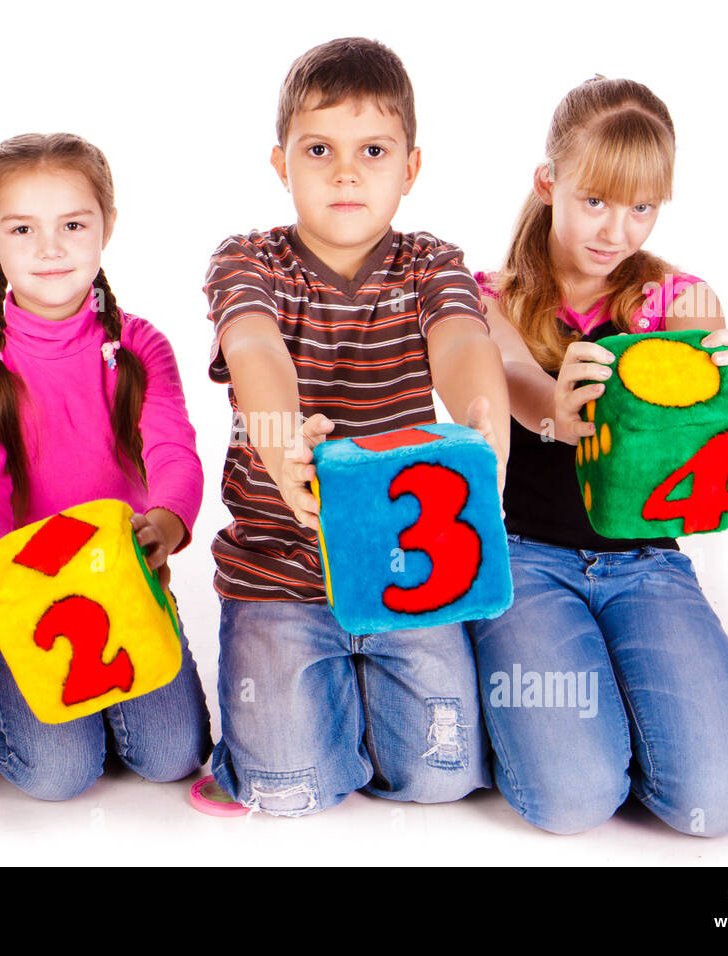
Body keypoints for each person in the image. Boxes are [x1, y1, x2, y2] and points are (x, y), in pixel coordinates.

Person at [201, 37, 509, 815]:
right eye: (319, 150)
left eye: (372, 150)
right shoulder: (249, 260)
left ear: (410, 168)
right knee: (285, 790)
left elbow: (465, 342)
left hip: (405, 573)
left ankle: (360, 698)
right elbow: (252, 346)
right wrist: (283, 444)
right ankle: (293, 720)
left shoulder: (431, 261)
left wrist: (486, 422)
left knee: (441, 781)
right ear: (282, 165)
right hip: (281, 575)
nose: (346, 172)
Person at [468, 76, 728, 836]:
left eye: (642, 207)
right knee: (571, 801)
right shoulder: (486, 297)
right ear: (548, 184)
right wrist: (557, 415)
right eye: (596, 200)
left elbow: (707, 448)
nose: (617, 230)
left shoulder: (678, 299)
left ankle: (610, 728)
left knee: (720, 801)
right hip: (526, 561)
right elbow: (508, 375)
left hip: (647, 563)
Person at [0, 133, 211, 800]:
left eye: (72, 225)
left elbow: (175, 450)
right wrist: (0, 579)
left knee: (172, 757)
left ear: (107, 226)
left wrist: (166, 521)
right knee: (61, 773)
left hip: (117, 579)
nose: (50, 247)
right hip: (19, 593)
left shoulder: (140, 346)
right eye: (22, 228)